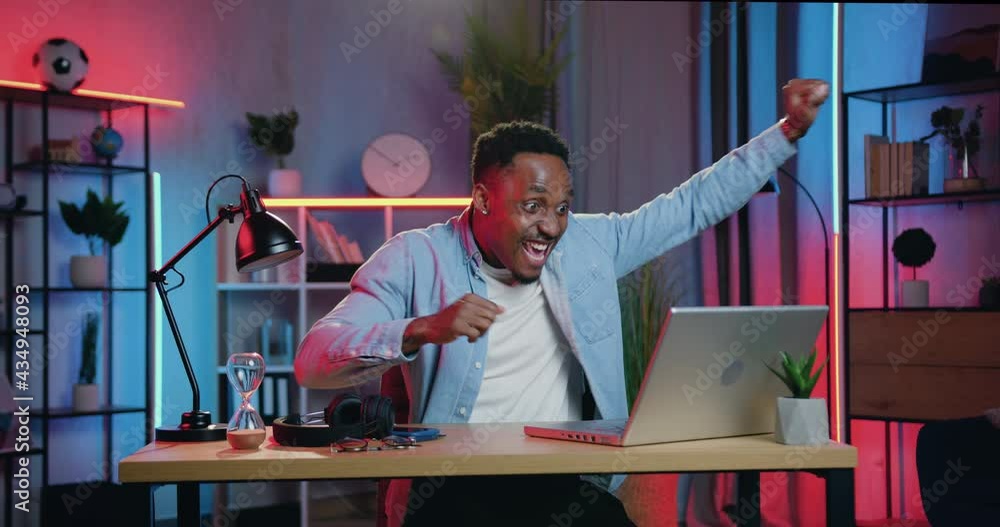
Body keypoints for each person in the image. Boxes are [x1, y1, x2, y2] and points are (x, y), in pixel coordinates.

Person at [294, 78, 830, 526]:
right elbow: (313, 359)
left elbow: (690, 206)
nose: (550, 226)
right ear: (482, 197)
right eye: (533, 205)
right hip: (452, 487)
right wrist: (420, 329)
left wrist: (788, 132)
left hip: (563, 483)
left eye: (562, 207)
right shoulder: (413, 258)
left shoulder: (589, 246)